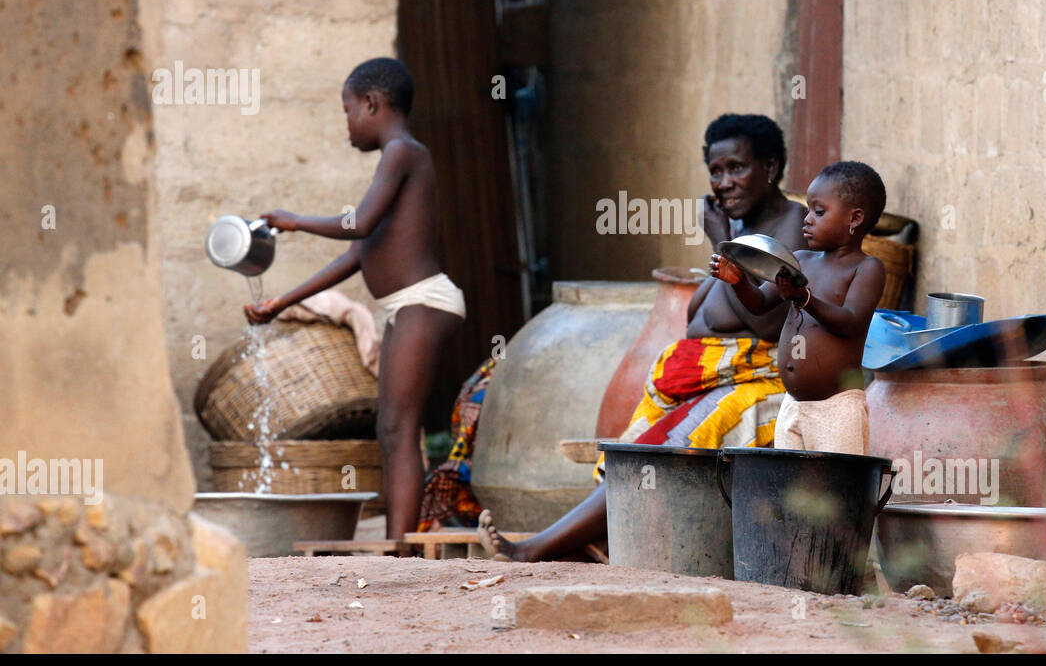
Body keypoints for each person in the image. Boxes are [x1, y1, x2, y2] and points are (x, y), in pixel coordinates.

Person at [476, 113, 806, 560]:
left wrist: (721, 245)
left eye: (736, 168)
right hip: (710, 376)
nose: (723, 182)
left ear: (770, 168)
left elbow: (769, 323)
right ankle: (590, 542)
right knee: (631, 449)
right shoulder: (741, 229)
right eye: (715, 171)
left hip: (756, 381)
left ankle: (533, 550)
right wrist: (725, 241)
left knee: (651, 453)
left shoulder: (791, 225)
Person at [243, 57, 464, 539]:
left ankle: (402, 554)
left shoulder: (404, 153)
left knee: (399, 430)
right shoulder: (395, 164)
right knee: (391, 430)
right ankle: (399, 545)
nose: (345, 123)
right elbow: (356, 255)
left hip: (423, 303)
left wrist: (295, 220)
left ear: (372, 103)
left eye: (346, 111)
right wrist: (279, 304)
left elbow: (358, 224)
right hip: (406, 307)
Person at [711, 161, 886, 455]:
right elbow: (760, 304)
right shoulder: (800, 260)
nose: (807, 219)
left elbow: (851, 322)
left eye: (819, 212)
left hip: (836, 409)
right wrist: (738, 282)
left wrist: (804, 299)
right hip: (791, 404)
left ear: (854, 218)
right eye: (807, 210)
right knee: (790, 490)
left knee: (838, 492)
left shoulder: (866, 269)